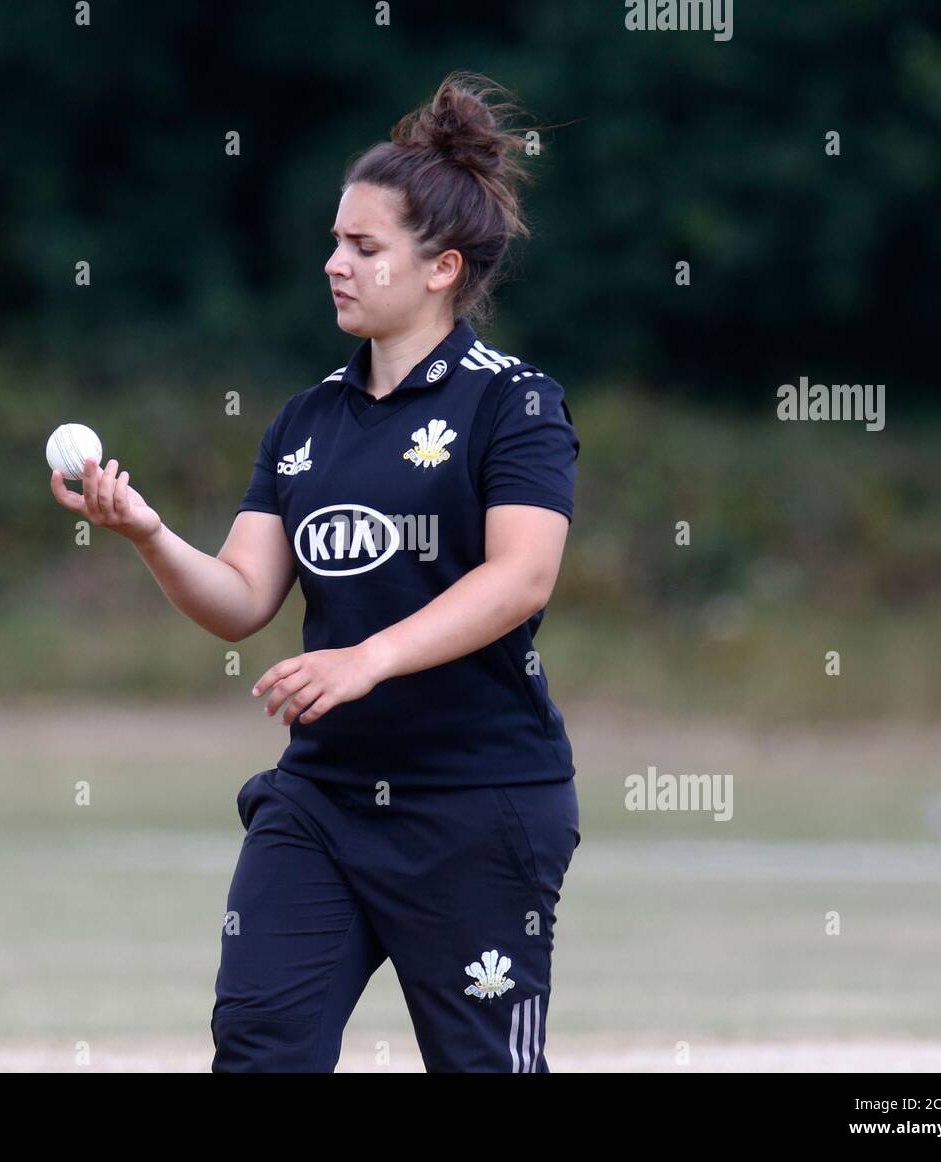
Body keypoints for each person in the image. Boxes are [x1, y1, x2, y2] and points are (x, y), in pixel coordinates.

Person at [50, 71, 581, 1072]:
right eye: (336, 240)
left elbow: (520, 580)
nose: (333, 262)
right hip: (325, 799)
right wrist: (149, 534)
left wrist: (365, 659)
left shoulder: (514, 405)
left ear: (440, 268)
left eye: (363, 246)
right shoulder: (305, 424)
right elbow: (242, 602)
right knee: (258, 1049)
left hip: (478, 806)